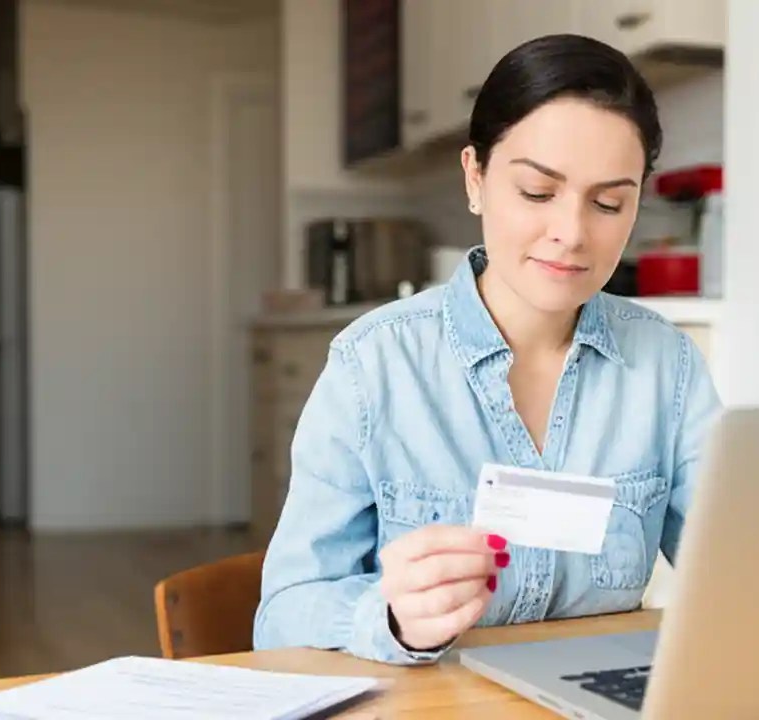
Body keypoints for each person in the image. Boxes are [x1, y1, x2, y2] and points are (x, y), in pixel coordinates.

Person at [253, 33, 721, 665]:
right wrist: (391, 619)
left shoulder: (669, 368)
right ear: (475, 178)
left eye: (610, 202)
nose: (572, 233)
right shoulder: (375, 366)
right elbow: (281, 618)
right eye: (537, 193)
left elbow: (735, 575)